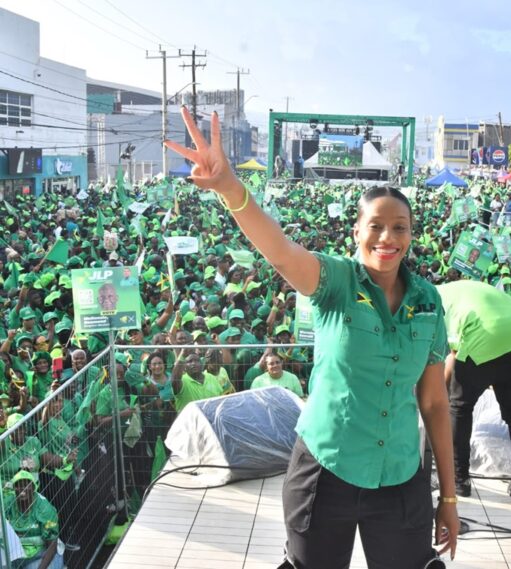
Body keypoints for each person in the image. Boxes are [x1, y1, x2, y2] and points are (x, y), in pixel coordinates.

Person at [166, 106, 458, 567]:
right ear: (356, 231)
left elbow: (435, 404)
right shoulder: (336, 282)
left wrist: (449, 497)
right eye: (376, 226)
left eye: (399, 227)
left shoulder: (427, 302)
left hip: (400, 475)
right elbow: (280, 252)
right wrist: (229, 188)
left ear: (411, 235)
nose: (387, 237)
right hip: (326, 471)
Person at [436, 280, 511, 509]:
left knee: (460, 408)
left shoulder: (436, 301)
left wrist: (440, 394)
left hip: (486, 336)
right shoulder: (462, 289)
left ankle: (459, 479)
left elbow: (452, 355)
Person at [4, 470, 64, 569]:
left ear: (33, 488)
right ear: (14, 488)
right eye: (19, 485)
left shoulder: (45, 509)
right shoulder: (9, 502)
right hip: (14, 555)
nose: (23, 489)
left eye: (27, 485)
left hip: (40, 555)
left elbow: (51, 545)